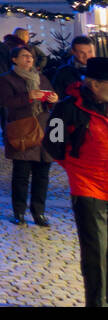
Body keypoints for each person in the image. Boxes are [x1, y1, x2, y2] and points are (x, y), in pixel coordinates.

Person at [45, 57, 108, 306]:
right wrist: (75, 168)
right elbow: (53, 141)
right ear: (94, 84)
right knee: (96, 254)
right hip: (89, 188)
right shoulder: (66, 108)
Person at [0, 45, 57, 226]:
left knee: (42, 175)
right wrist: (29, 97)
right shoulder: (7, 79)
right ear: (14, 59)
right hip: (23, 130)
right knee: (21, 174)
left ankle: (39, 212)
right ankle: (19, 211)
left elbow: (51, 102)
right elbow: (6, 102)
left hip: (43, 130)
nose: (29, 59)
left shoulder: (42, 78)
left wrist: (53, 99)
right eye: (24, 56)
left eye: (30, 56)